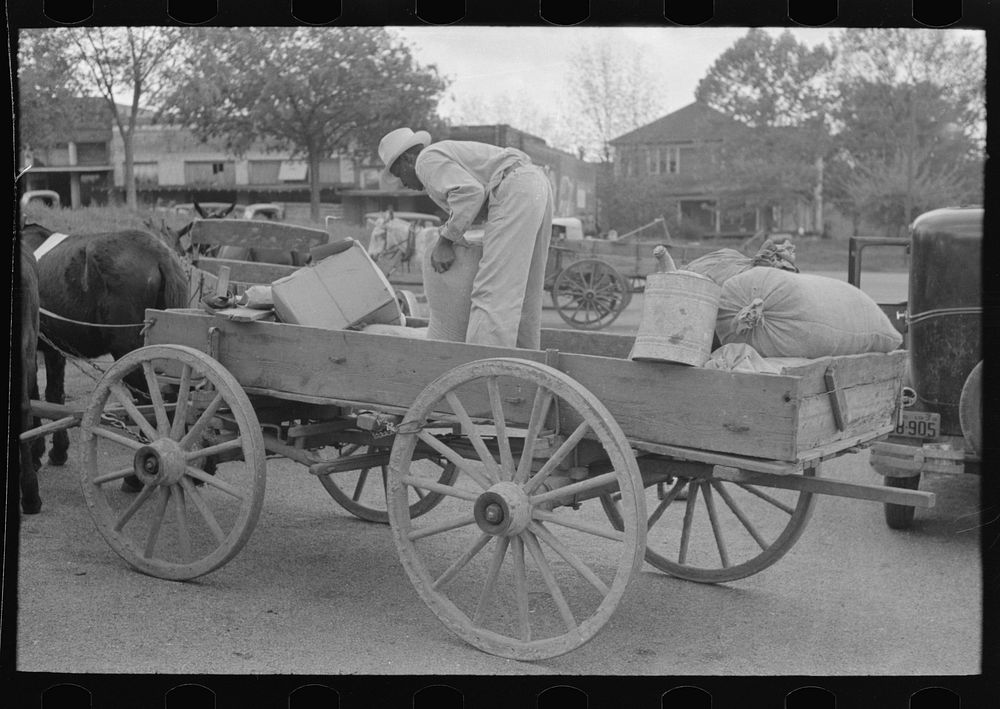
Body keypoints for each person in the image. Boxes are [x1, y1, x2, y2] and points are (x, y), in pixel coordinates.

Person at [378, 127, 553, 349]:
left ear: (407, 159)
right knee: (525, 290)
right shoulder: (444, 155)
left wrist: (445, 241)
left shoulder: (425, 161)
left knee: (492, 290)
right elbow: (475, 199)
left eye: (399, 174)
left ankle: (484, 364)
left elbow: (470, 194)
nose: (403, 183)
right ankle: (525, 360)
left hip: (515, 188)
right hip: (534, 183)